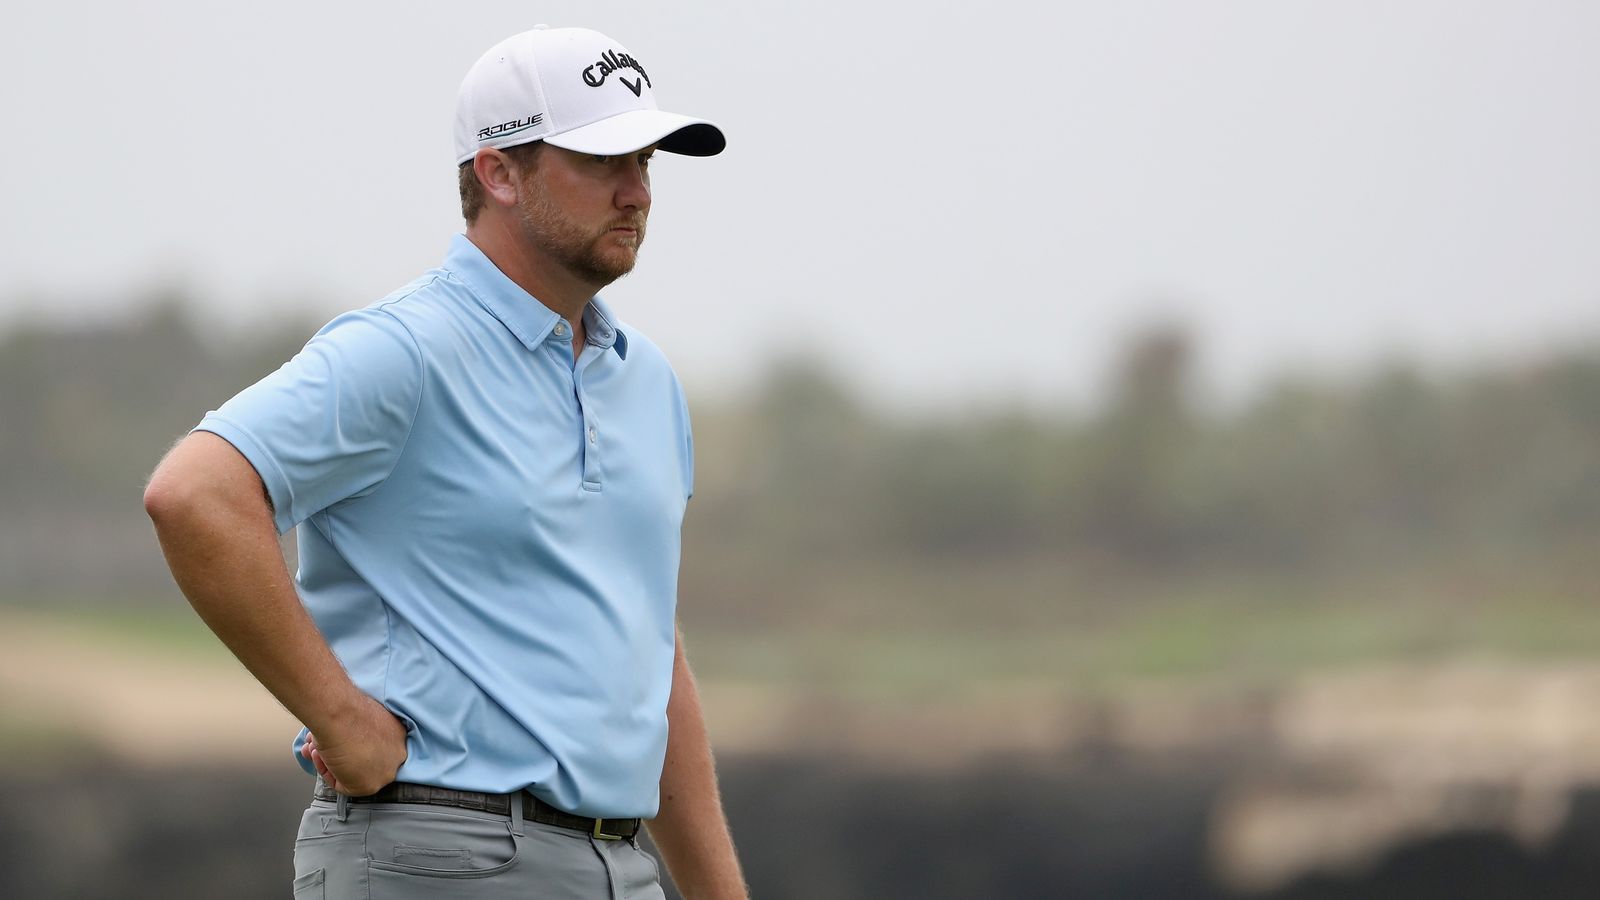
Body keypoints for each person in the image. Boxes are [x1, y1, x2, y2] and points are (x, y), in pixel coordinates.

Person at [143, 25, 747, 900]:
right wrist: (341, 717)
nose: (637, 191)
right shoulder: (406, 349)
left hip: (618, 868)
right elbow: (195, 493)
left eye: (647, 160)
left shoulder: (645, 382)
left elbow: (648, 655)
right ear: (499, 172)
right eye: (602, 160)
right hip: (440, 853)